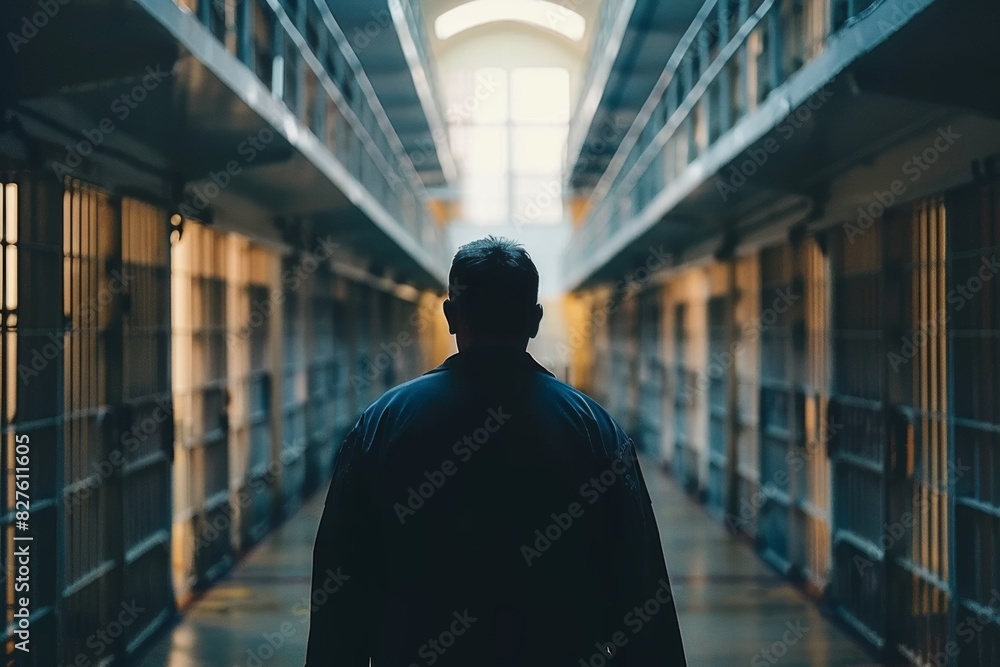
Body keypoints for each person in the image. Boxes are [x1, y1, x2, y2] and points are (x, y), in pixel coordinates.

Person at [305, 236, 686, 666]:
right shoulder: (595, 430)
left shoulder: (381, 424)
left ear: (450, 315)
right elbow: (642, 587)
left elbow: (340, 587)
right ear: (535, 319)